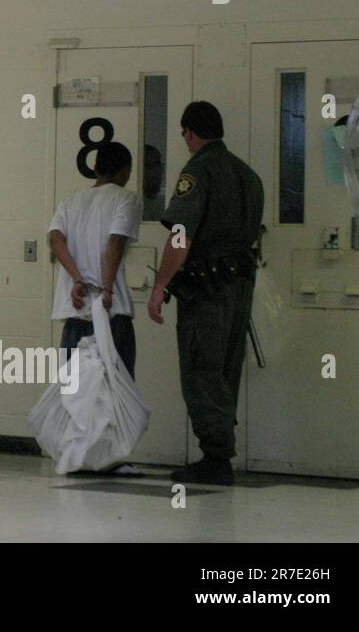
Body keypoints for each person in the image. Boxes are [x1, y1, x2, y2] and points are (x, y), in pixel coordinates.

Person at [148, 101, 263, 486]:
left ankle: (215, 458)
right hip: (240, 286)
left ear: (190, 132)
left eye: (184, 134)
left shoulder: (198, 171)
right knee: (227, 366)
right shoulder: (248, 175)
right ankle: (219, 452)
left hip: (206, 290)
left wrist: (161, 284)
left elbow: (181, 235)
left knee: (202, 368)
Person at [48, 141, 143, 379]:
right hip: (112, 313)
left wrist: (77, 279)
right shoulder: (126, 198)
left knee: (76, 397)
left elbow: (55, 239)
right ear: (125, 171)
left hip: (75, 314)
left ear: (96, 168)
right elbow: (115, 241)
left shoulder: (70, 202)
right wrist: (108, 289)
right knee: (115, 391)